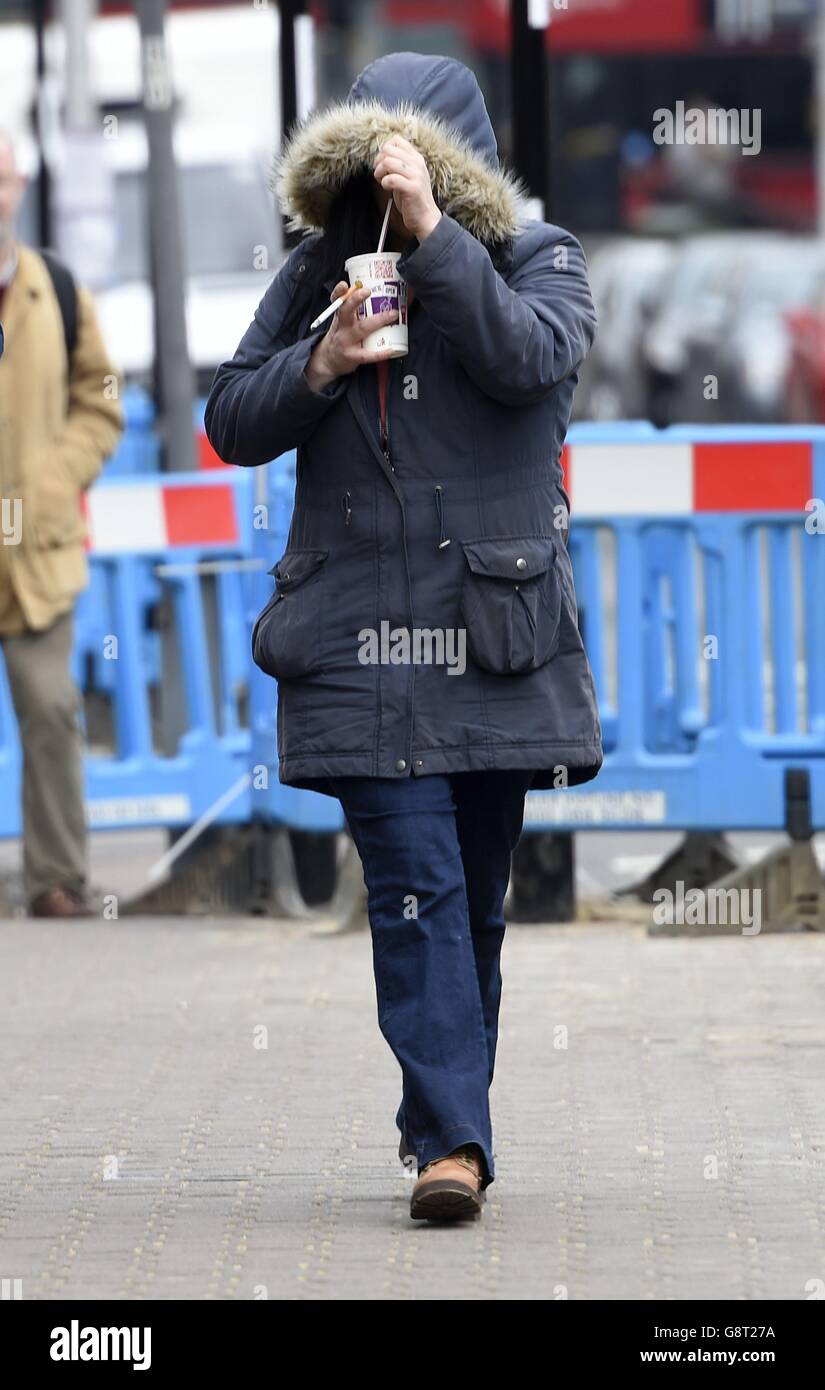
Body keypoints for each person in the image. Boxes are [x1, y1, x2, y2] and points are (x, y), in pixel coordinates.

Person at [206, 53, 601, 1222]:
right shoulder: (318, 272)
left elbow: (534, 361)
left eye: (416, 177)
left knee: (475, 896)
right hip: (359, 648)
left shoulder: (540, 258)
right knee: (416, 887)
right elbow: (231, 417)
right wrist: (323, 358)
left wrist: (437, 239)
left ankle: (445, 1110)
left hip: (492, 641)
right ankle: (451, 1144)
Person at [0, 131, 123, 917]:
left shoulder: (61, 291)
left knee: (50, 709)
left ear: (15, 184)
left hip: (37, 547)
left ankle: (55, 880)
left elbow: (101, 398)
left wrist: (53, 479)